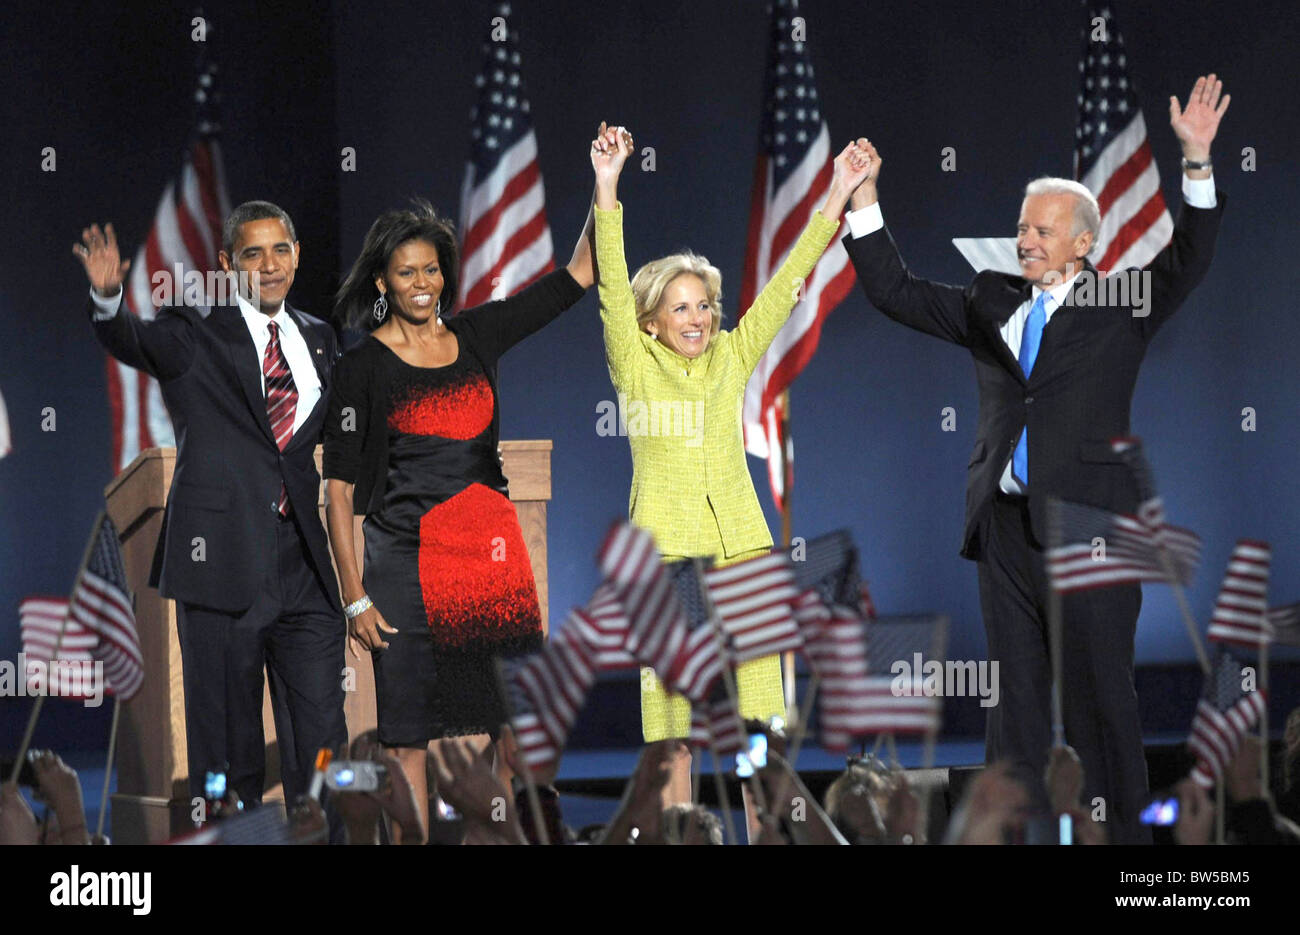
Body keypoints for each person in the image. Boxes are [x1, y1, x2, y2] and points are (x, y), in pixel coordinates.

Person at [840, 75, 1230, 844]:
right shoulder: (990, 301)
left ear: (1083, 243)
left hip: (1092, 529)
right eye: (1023, 227)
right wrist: (863, 200)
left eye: (1043, 231)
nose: (1025, 240)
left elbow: (1189, 257)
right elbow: (896, 291)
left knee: (1099, 702)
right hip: (1006, 530)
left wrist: (1196, 162)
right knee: (1012, 703)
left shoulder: (1122, 306)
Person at [590, 123, 871, 817]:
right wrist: (607, 186)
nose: (698, 317)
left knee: (761, 730)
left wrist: (836, 191)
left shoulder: (728, 356)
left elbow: (785, 285)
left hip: (742, 552)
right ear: (651, 320)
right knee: (673, 736)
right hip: (668, 561)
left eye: (705, 305)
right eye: (680, 307)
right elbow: (610, 284)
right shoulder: (632, 359)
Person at [323, 197, 595, 841]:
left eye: (432, 269)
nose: (422, 283)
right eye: (407, 272)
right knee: (407, 742)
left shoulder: (477, 334)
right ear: (383, 281)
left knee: (518, 733)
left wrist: (604, 179)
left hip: (491, 565)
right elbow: (336, 492)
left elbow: (582, 273)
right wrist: (354, 598)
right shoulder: (359, 366)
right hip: (404, 573)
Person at [75, 204, 348, 830]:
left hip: (304, 566)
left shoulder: (321, 338)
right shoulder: (195, 330)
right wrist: (109, 298)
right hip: (221, 564)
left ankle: (330, 835)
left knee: (326, 740)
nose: (270, 265)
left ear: (298, 253)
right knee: (228, 755)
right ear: (228, 264)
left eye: (280, 250)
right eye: (252, 253)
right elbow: (131, 339)